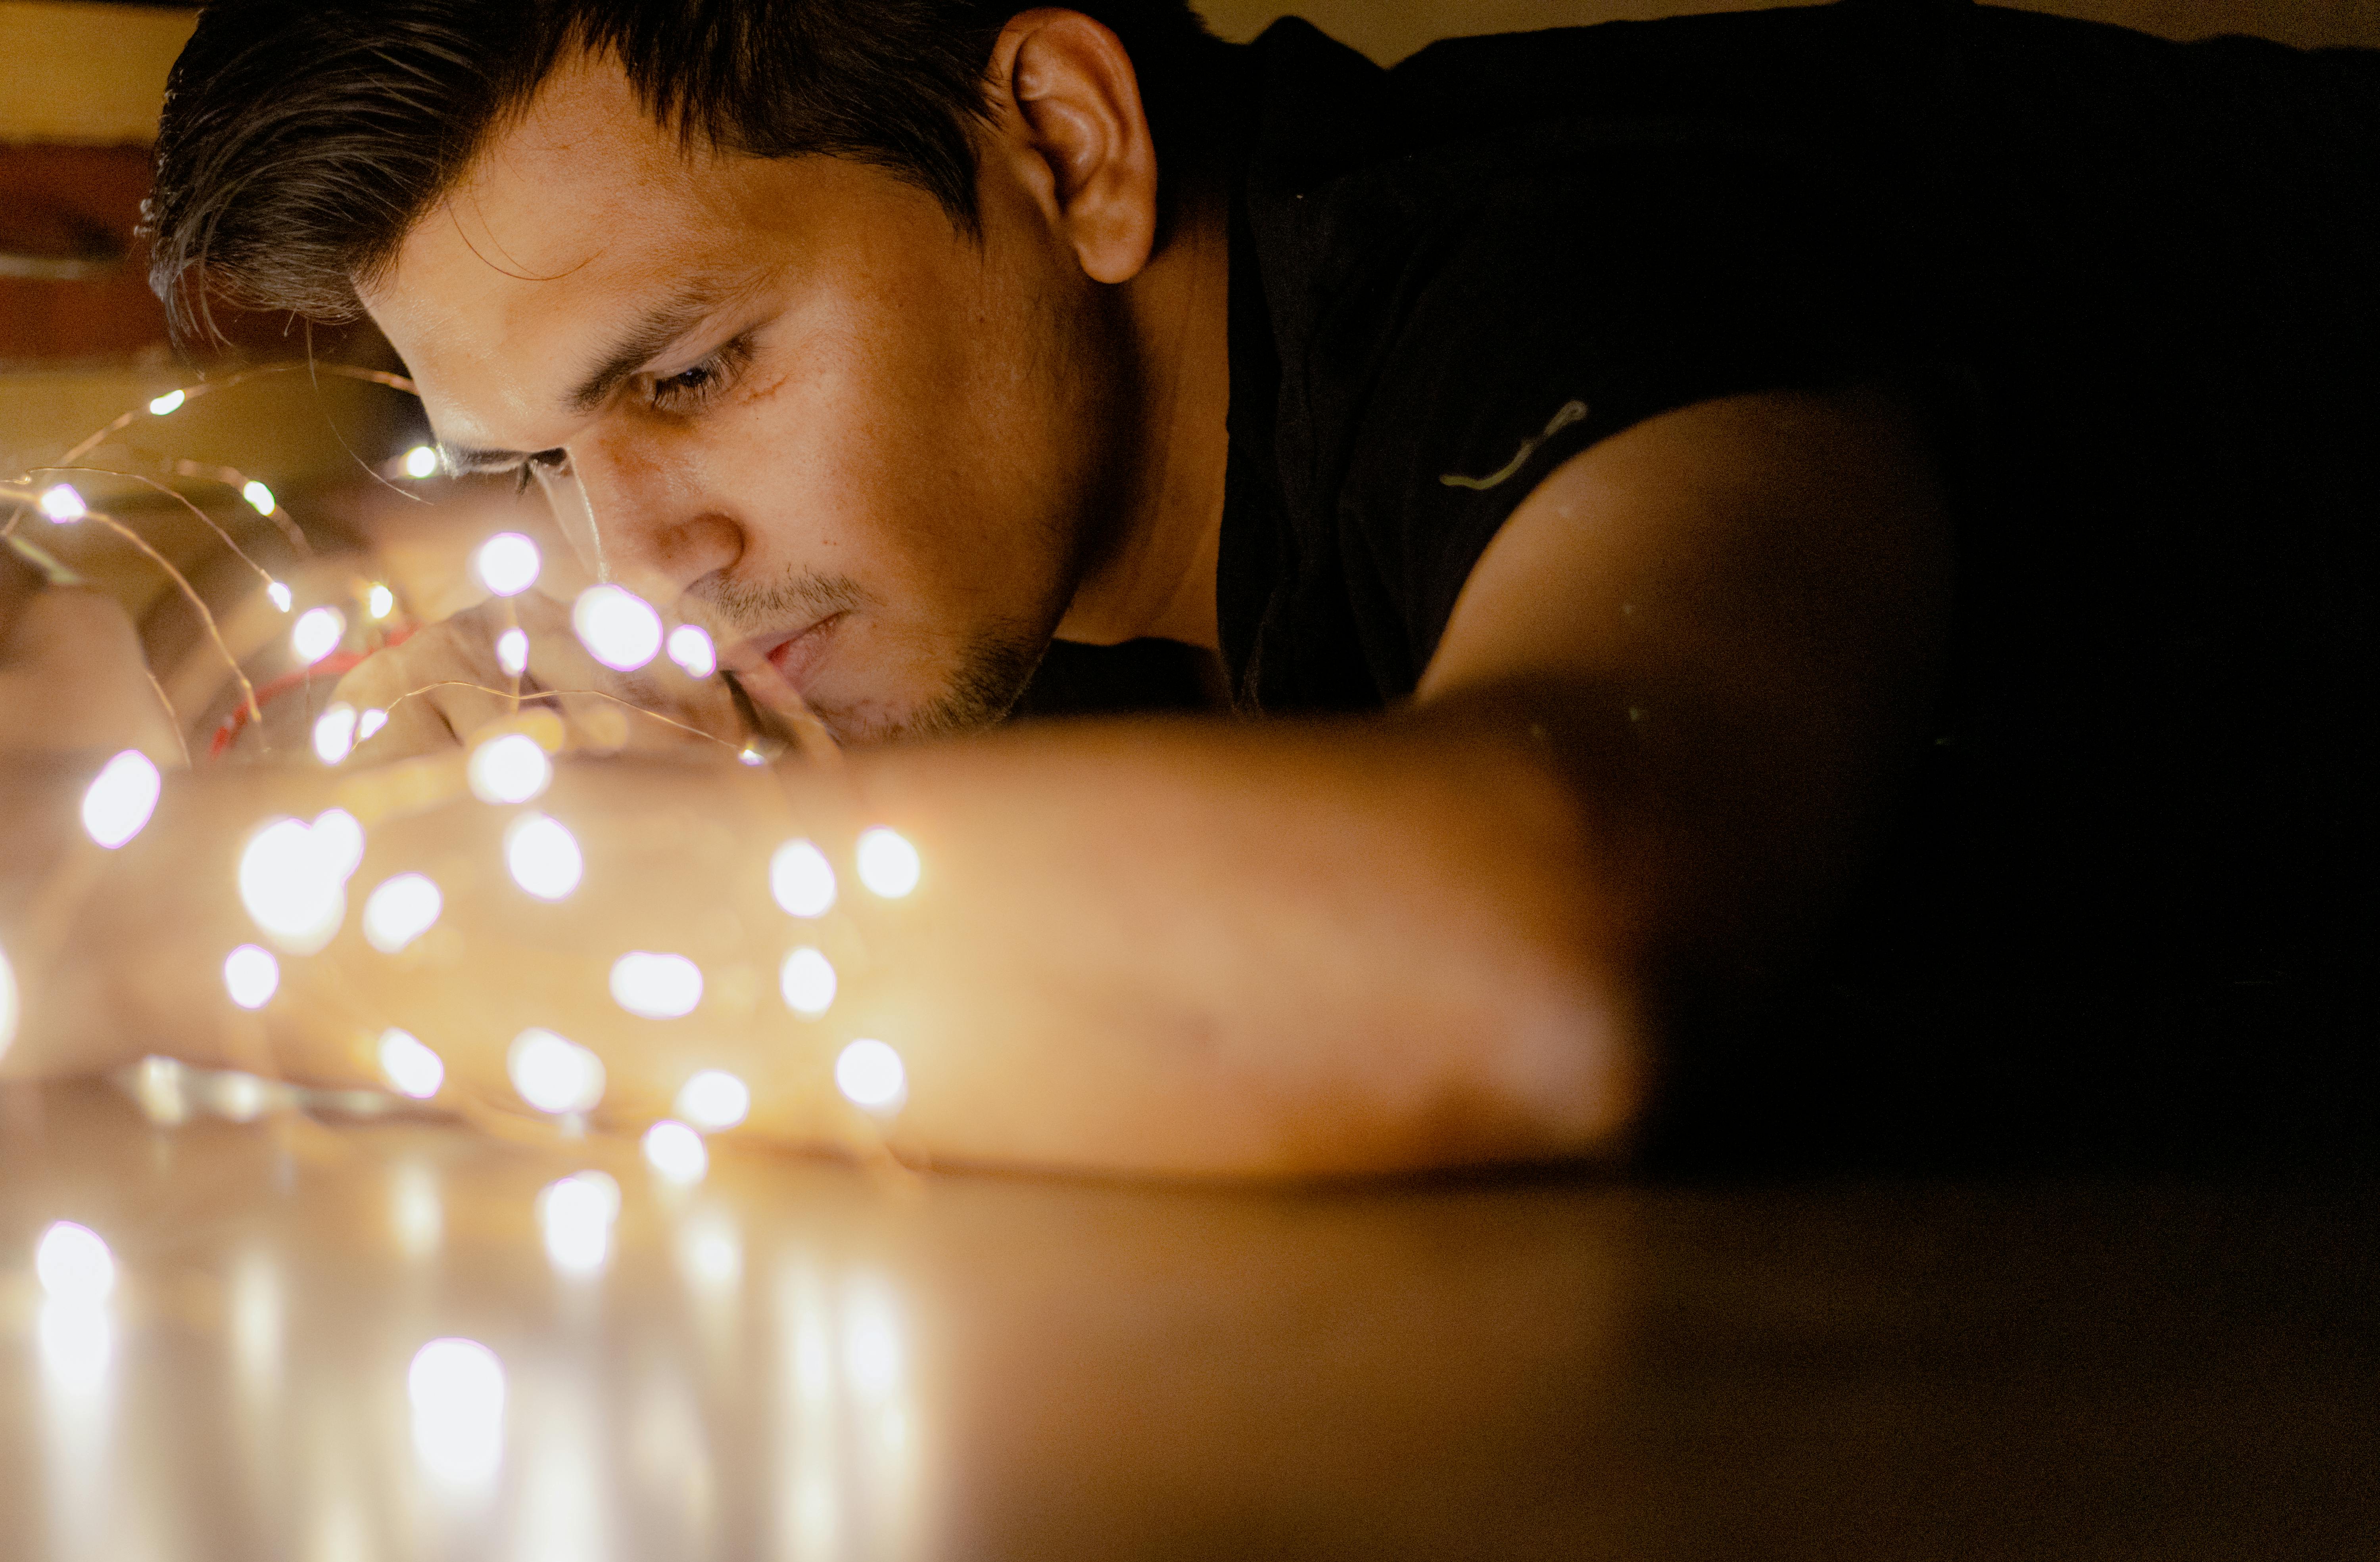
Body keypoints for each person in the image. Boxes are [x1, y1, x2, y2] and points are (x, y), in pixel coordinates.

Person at [0, 0, 2369, 1175]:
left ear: (1067, 149)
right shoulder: (1012, 573)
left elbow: (1531, 946)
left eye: (699, 372)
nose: (642, 549)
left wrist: (205, 935)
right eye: (540, 455)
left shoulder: (1565, 269)